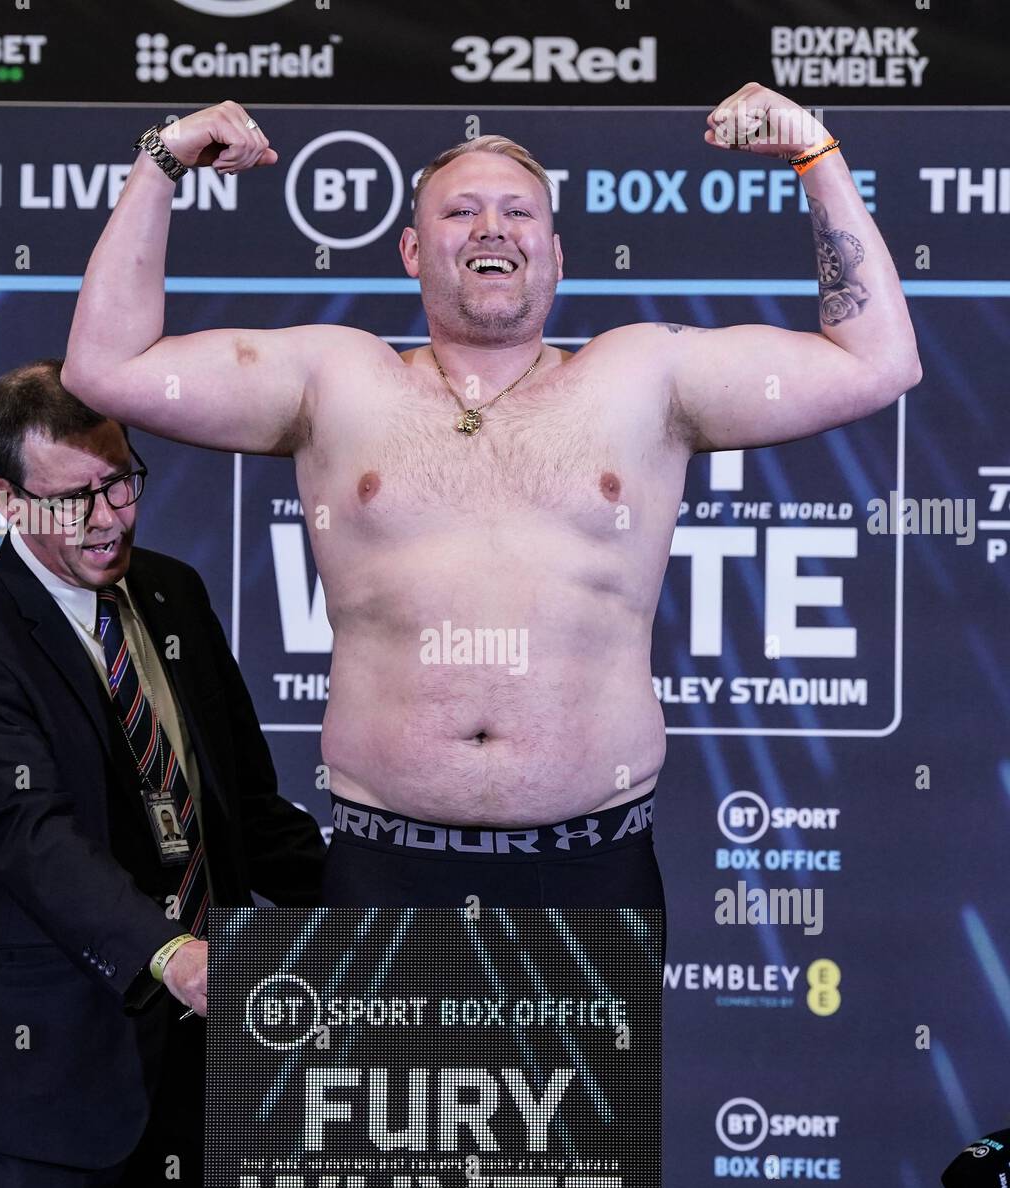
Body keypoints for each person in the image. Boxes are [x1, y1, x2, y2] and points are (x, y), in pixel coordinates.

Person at [59, 85, 922, 915]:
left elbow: (877, 363)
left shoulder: (642, 380)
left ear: (555, 253)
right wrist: (161, 163)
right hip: (385, 859)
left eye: (518, 213)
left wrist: (816, 153)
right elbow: (106, 368)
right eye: (460, 211)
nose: (491, 228)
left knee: (582, 1079)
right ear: (410, 250)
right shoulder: (336, 380)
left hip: (593, 863)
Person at [0, 360, 326, 1188]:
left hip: (196, 1069)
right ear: (7, 499)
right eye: (76, 499)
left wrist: (392, 899)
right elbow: (37, 846)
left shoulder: (175, 595)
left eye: (123, 480)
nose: (110, 517)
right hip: (44, 1075)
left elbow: (250, 815)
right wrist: (175, 959)